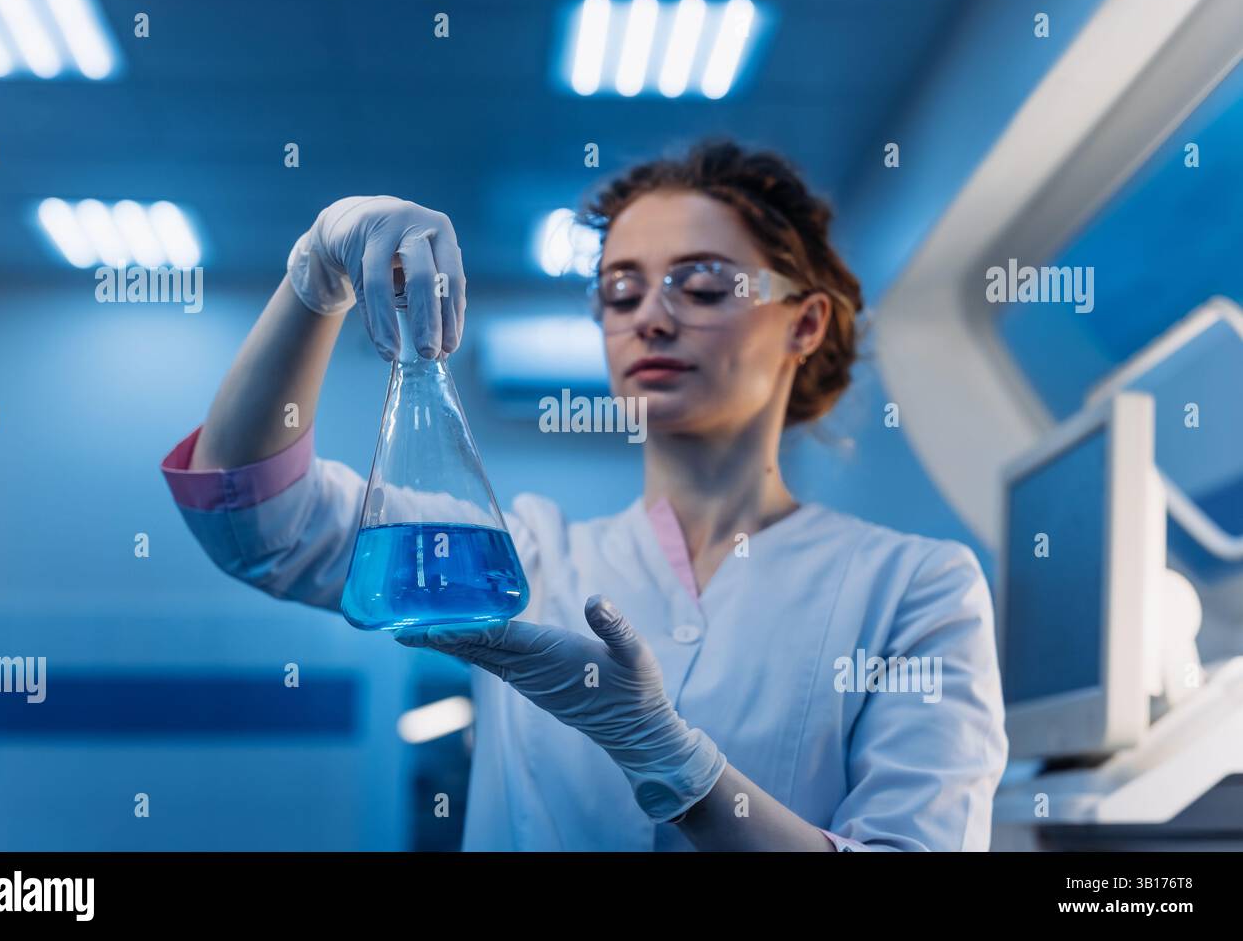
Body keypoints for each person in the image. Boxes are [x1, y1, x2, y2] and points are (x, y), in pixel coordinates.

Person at [160, 140, 1008, 851]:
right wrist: (316, 276)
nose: (652, 316)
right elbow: (253, 519)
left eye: (703, 285)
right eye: (620, 290)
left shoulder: (915, 588)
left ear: (804, 323)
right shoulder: (519, 559)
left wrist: (677, 765)